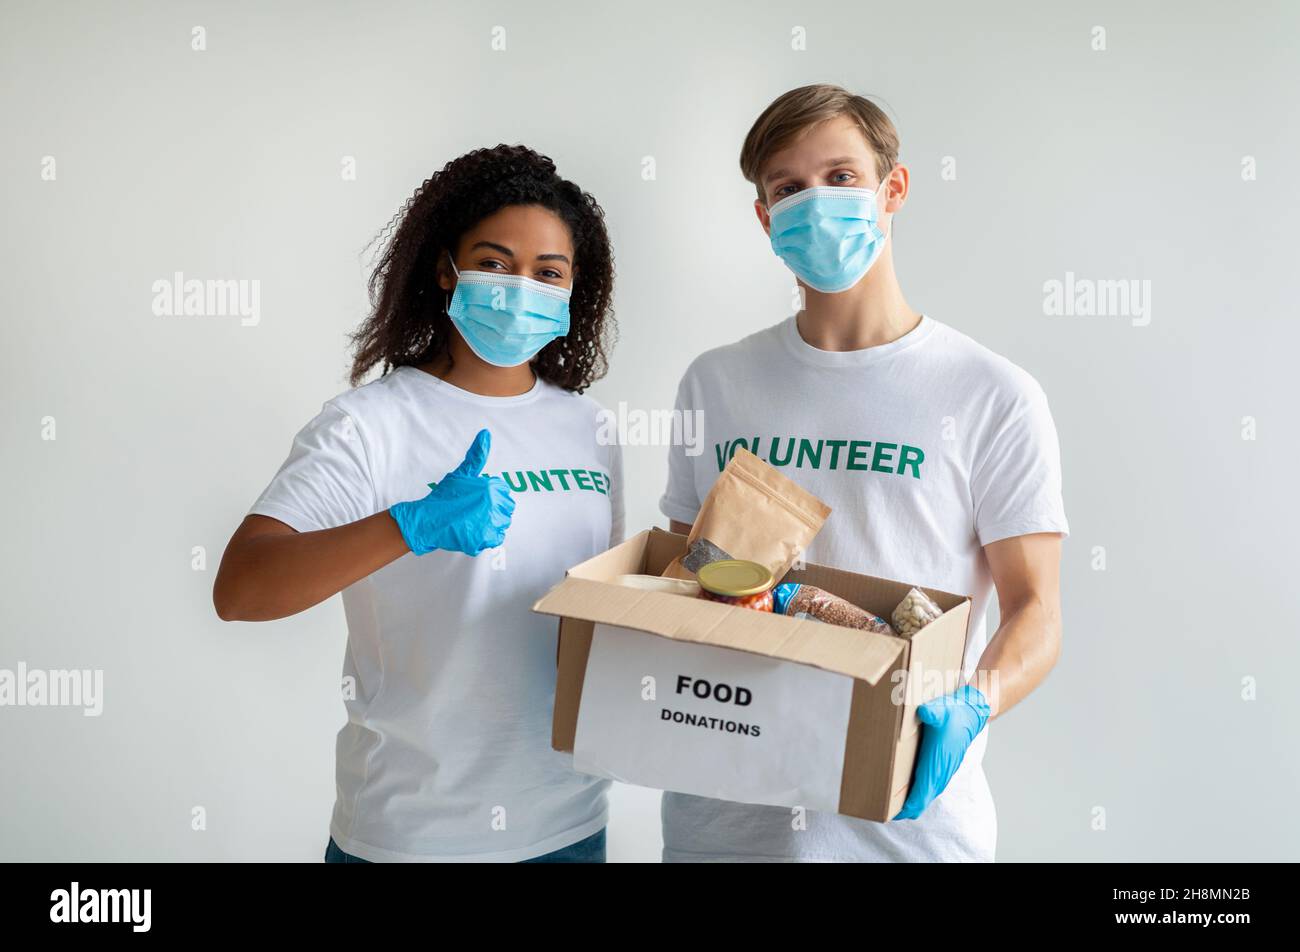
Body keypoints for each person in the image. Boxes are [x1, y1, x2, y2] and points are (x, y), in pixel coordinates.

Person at [659, 84, 1068, 862]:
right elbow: (686, 584)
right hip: (726, 823)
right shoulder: (715, 383)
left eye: (841, 177)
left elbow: (1037, 612)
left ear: (894, 188)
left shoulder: (990, 394)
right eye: (789, 188)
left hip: (909, 827)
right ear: (764, 217)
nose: (816, 202)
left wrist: (974, 703)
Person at [213, 144, 622, 863]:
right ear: (445, 269)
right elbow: (242, 587)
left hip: (569, 823)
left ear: (572, 291)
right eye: (494, 263)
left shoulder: (590, 430)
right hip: (413, 834)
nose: (519, 287)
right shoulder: (371, 424)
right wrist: (409, 525)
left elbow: (595, 620)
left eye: (547, 273)